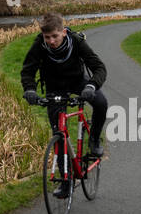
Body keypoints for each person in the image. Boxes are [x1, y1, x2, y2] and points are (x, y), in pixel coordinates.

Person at [20, 14, 109, 192]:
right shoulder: (39, 45)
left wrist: (91, 86)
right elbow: (28, 70)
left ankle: (93, 140)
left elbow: (99, 67)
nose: (51, 41)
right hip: (54, 88)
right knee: (59, 133)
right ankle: (66, 182)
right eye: (47, 37)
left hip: (78, 82)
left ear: (63, 32)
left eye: (55, 36)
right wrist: (30, 90)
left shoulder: (76, 41)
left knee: (101, 102)